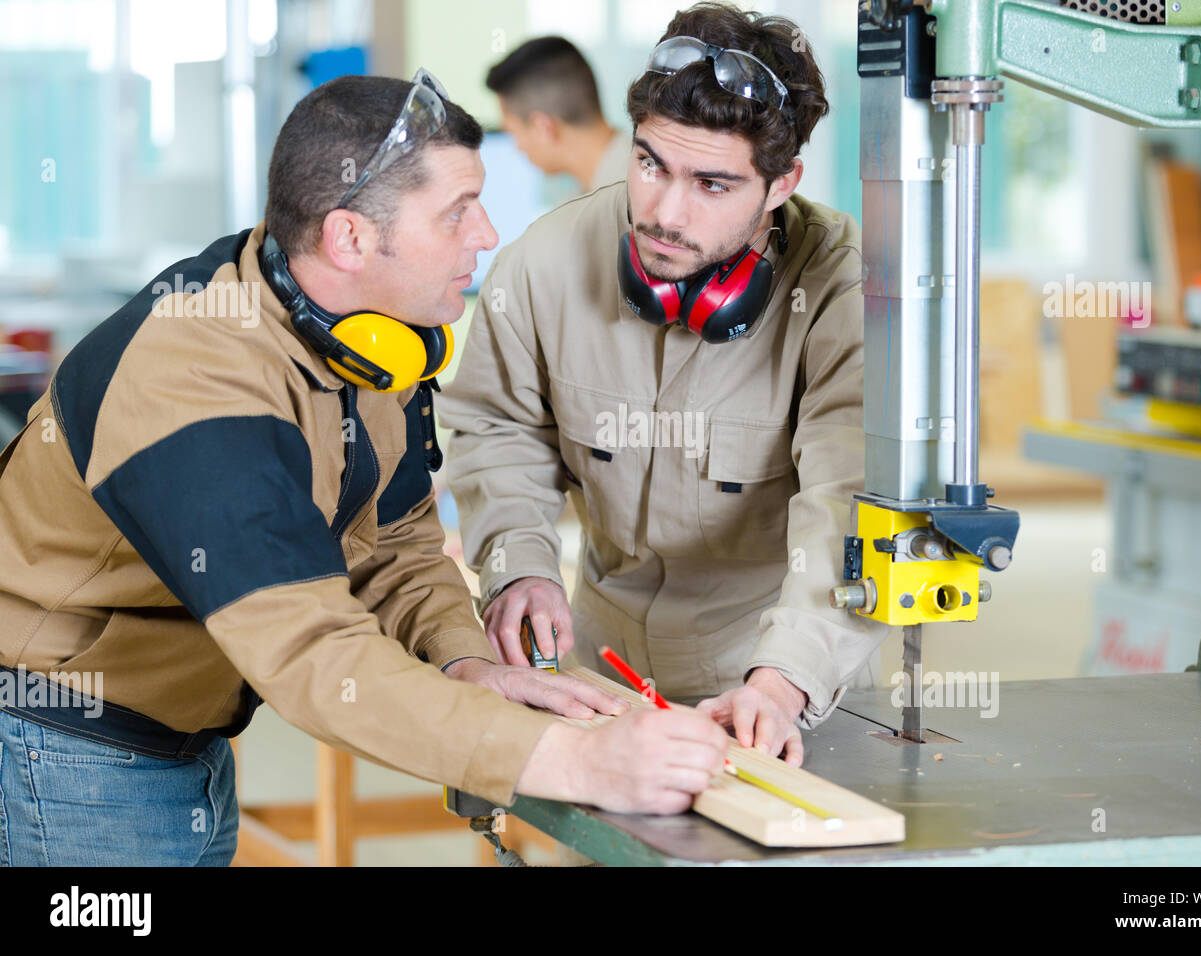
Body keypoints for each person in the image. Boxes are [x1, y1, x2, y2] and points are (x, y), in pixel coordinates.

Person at [0, 70, 728, 867]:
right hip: (64, 751)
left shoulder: (373, 340)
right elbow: (314, 654)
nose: (487, 233)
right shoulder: (192, 379)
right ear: (350, 238)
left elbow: (399, 542)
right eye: (457, 212)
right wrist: (574, 760)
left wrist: (467, 661)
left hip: (185, 743)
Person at [441, 3, 891, 770]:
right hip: (600, 665)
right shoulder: (542, 264)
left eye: (713, 184)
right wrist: (518, 565)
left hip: (783, 674)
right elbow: (499, 431)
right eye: (651, 164)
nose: (665, 213)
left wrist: (783, 686)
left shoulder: (846, 292)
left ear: (782, 184)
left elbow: (847, 503)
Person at [486, 36, 632, 194]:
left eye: (513, 132)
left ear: (543, 127)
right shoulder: (594, 194)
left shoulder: (636, 199)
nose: (518, 147)